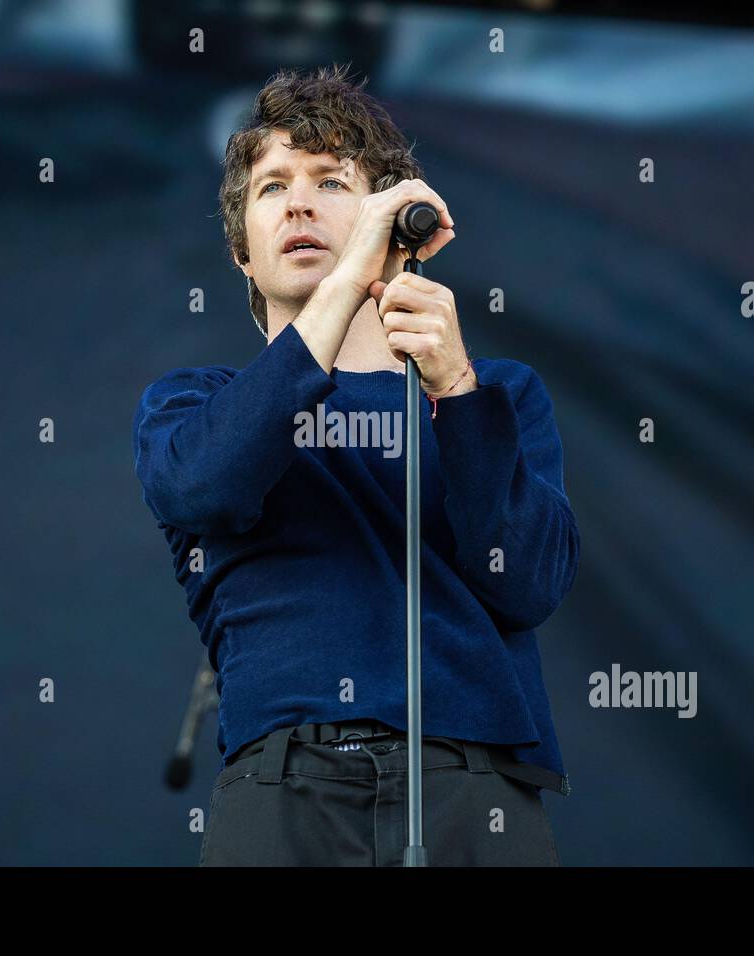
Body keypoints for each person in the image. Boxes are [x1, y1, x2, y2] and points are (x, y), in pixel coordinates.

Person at [133, 64, 580, 866]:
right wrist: (346, 284)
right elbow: (204, 484)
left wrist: (458, 392)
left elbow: (530, 583)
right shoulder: (193, 402)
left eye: (331, 180)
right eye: (273, 187)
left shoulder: (497, 393)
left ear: (395, 228)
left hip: (475, 788)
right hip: (281, 790)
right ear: (242, 251)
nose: (299, 202)